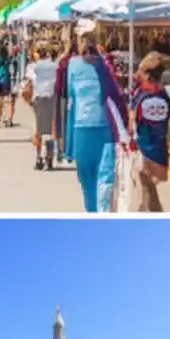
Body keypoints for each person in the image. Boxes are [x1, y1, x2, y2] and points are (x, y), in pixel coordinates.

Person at [62, 32, 127, 212]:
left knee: (88, 180)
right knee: (103, 179)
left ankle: (92, 215)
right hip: (102, 128)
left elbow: (71, 102)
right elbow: (114, 96)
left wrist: (68, 144)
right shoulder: (104, 65)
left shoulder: (73, 65)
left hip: (83, 129)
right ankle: (99, 216)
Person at [128, 52, 170, 211]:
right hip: (160, 151)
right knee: (147, 190)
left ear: (147, 75)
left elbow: (132, 121)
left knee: (147, 188)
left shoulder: (140, 96)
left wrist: (129, 141)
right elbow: (169, 121)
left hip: (144, 151)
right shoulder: (164, 96)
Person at [25, 45, 60, 170]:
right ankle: (49, 158)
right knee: (51, 129)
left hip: (38, 98)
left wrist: (27, 99)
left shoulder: (32, 67)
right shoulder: (54, 66)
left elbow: (29, 83)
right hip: (51, 98)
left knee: (37, 129)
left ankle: (39, 157)